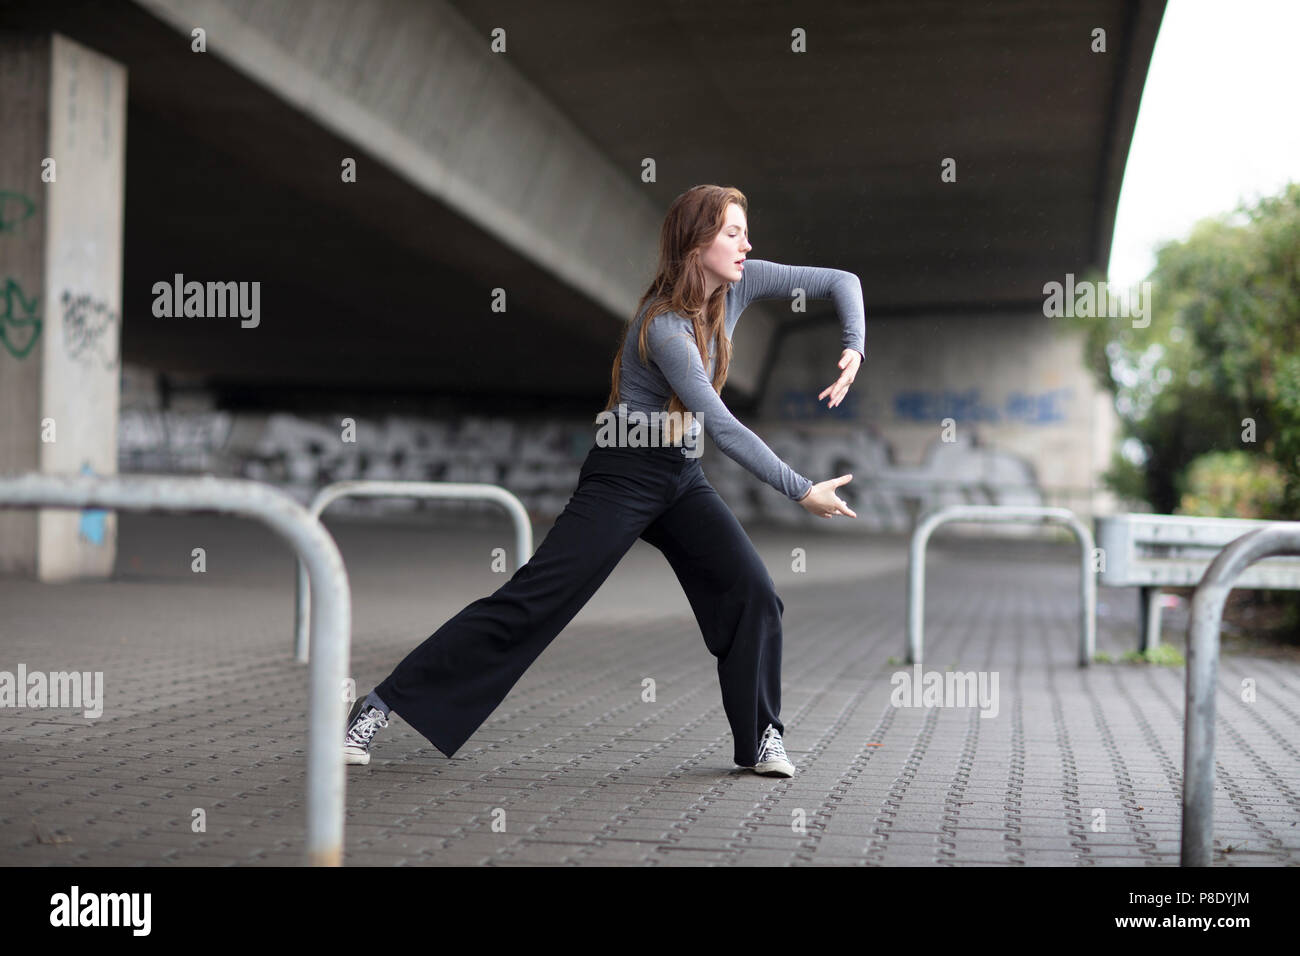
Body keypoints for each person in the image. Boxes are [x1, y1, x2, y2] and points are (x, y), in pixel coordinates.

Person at [345, 184, 864, 776]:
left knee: (753, 592)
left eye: (745, 231)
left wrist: (854, 348)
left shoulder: (741, 284)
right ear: (696, 246)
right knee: (534, 602)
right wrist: (802, 489)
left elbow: (842, 281)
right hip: (623, 474)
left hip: (680, 477)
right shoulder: (665, 327)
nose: (748, 244)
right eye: (732, 233)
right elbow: (719, 424)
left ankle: (762, 737)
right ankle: (379, 706)